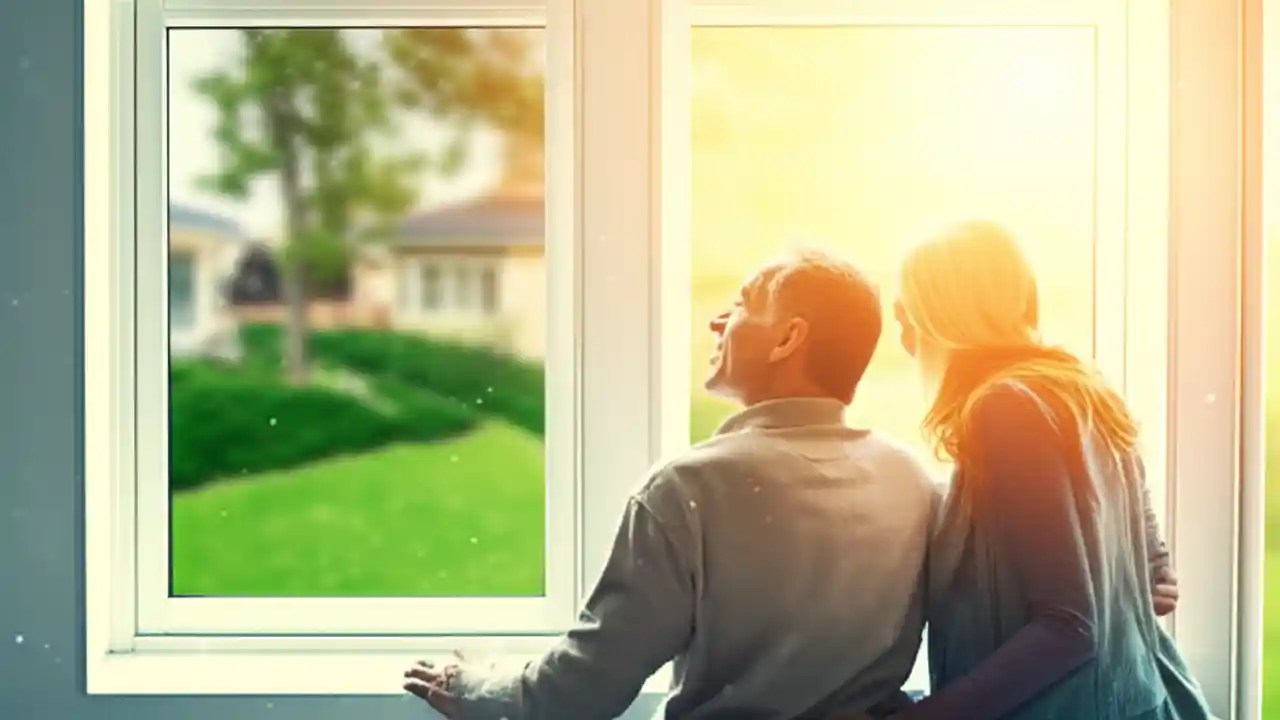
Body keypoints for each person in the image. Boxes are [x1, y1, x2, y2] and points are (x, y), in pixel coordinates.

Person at [403, 250, 938, 719]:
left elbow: (579, 693)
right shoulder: (910, 480)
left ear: (788, 339)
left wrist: (473, 687)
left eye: (743, 304)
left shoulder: (690, 488)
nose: (717, 321)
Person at [883, 221, 1213, 719]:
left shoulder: (1005, 408)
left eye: (906, 309)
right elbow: (1155, 575)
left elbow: (1069, 626)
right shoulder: (1084, 389)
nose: (904, 332)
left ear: (941, 312)